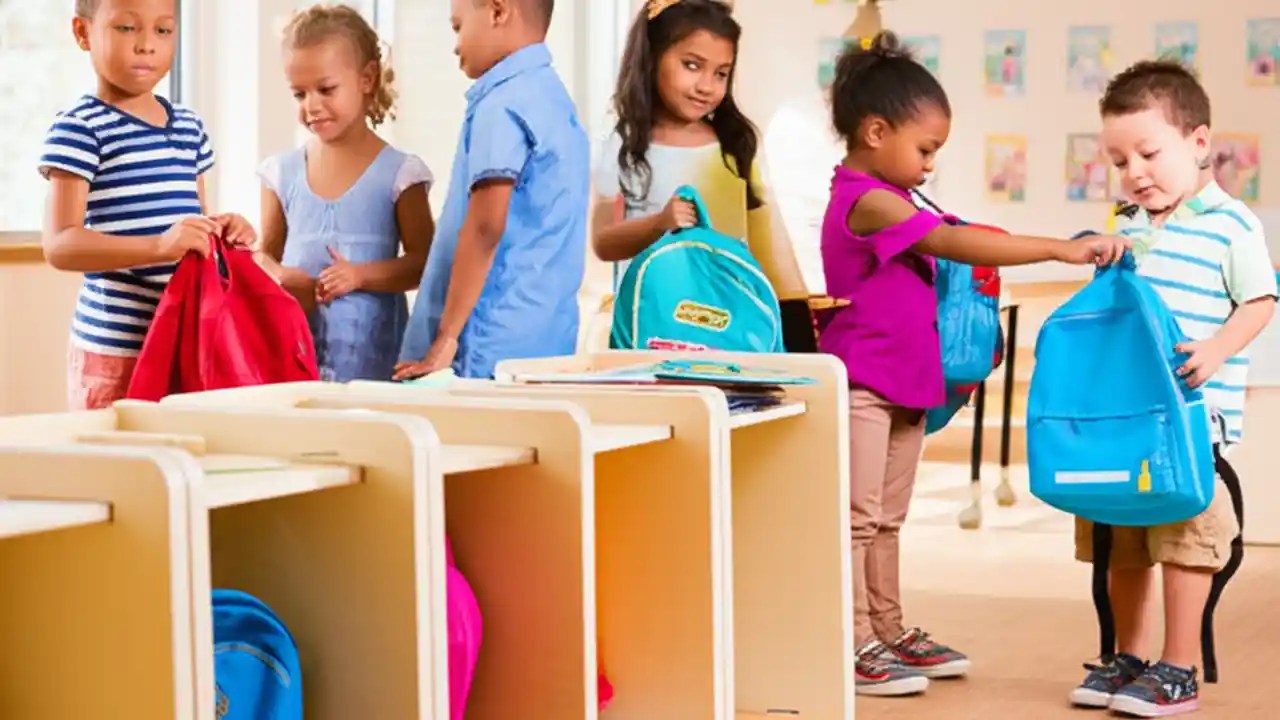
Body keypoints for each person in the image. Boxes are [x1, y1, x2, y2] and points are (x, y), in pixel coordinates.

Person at [821, 32, 1129, 697]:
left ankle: (888, 629)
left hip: (904, 385)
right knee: (855, 518)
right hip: (863, 388)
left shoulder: (901, 197)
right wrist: (1057, 249)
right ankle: (850, 644)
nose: (930, 165)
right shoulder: (865, 199)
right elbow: (954, 241)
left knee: (887, 520)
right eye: (925, 149)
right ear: (876, 132)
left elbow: (953, 235)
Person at [1069, 60, 1275, 717]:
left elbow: (1260, 300)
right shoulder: (1127, 224)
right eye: (1119, 158)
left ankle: (1178, 665)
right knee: (1124, 540)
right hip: (1124, 417)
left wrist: (1216, 349)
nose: (1134, 171)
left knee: (1186, 538)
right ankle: (1128, 657)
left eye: (1149, 153)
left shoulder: (1232, 225)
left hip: (1189, 421)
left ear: (1198, 141)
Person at [39, 0, 255, 410]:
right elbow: (60, 245)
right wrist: (157, 246)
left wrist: (225, 229)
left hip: (186, 342)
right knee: (116, 470)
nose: (146, 46)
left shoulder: (189, 128)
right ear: (83, 33)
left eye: (163, 31)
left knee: (176, 465)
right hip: (116, 353)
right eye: (126, 28)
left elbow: (193, 225)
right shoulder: (79, 128)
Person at [591, 0, 812, 349]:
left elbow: (769, 242)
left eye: (721, 73)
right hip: (653, 322)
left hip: (730, 324)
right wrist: (657, 223)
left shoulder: (736, 144)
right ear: (653, 59)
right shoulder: (624, 145)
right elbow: (603, 242)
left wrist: (797, 329)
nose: (707, 86)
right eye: (692, 66)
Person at [394, 0, 588, 380]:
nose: (454, 45)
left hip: (487, 340)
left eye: (457, 27)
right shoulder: (556, 101)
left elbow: (486, 226)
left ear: (498, 12)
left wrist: (446, 339)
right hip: (547, 338)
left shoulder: (502, 104)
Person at [257, 4, 433, 382]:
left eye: (325, 89)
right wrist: (280, 275)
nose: (311, 106)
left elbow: (424, 264)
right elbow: (263, 261)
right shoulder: (280, 174)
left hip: (375, 369)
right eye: (299, 94)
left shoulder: (401, 174)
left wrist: (360, 276)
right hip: (294, 368)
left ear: (367, 78)